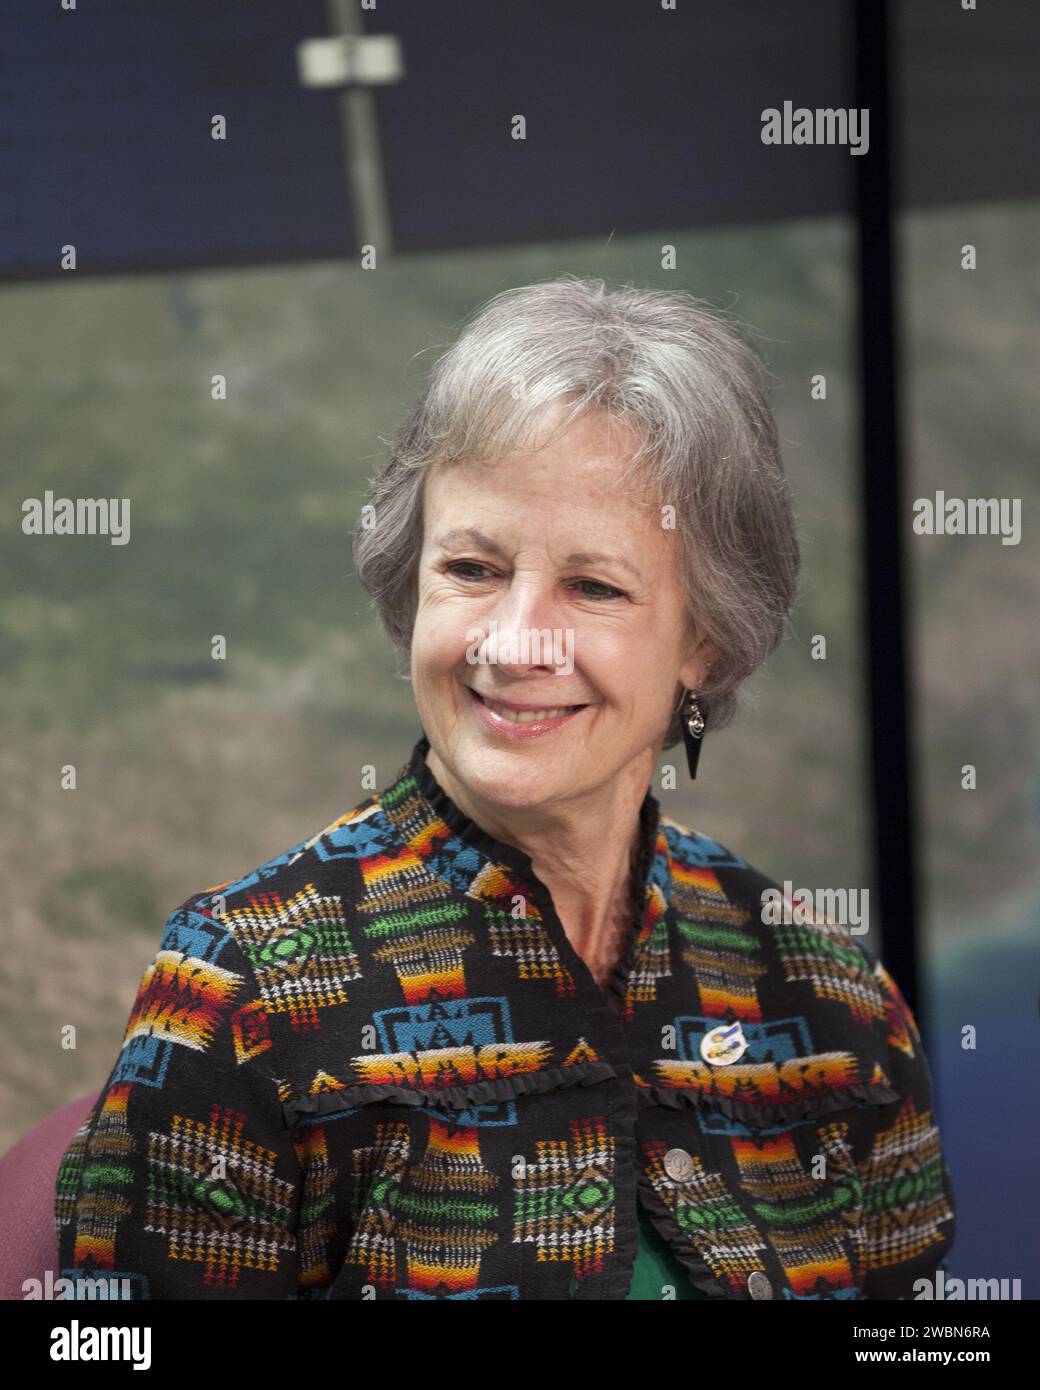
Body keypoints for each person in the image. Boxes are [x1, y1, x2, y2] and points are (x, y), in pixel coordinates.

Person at [55, 276, 955, 1300]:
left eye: (593, 587)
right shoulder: (238, 985)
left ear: (702, 641)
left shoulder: (832, 1000)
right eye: (474, 569)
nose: (516, 640)